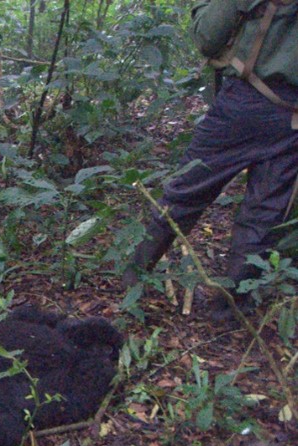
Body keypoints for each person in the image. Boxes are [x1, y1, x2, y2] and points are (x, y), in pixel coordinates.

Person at [122, 0, 298, 321]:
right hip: (292, 117)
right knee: (264, 214)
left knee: (186, 191)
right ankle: (231, 313)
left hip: (246, 101)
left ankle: (132, 281)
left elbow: (207, 36)